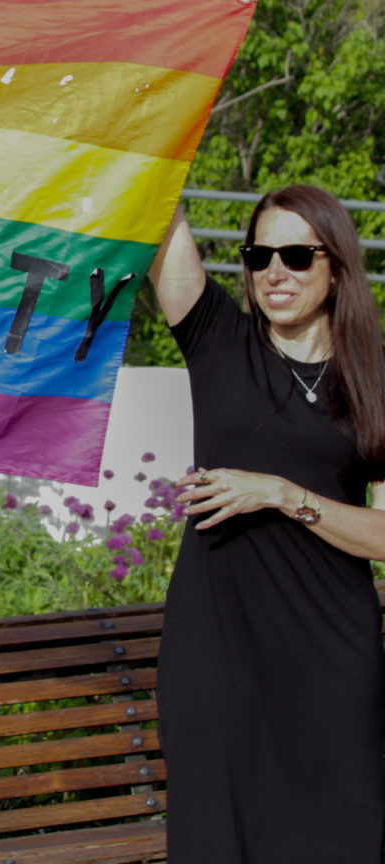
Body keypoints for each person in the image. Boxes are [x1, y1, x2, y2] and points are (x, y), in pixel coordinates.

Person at [149, 186, 385, 862]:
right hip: (216, 654)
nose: (274, 272)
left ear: (336, 265)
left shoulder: (373, 381)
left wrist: (283, 495)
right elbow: (160, 207)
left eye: (296, 255)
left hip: (332, 661)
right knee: (219, 841)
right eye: (258, 255)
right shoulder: (219, 341)